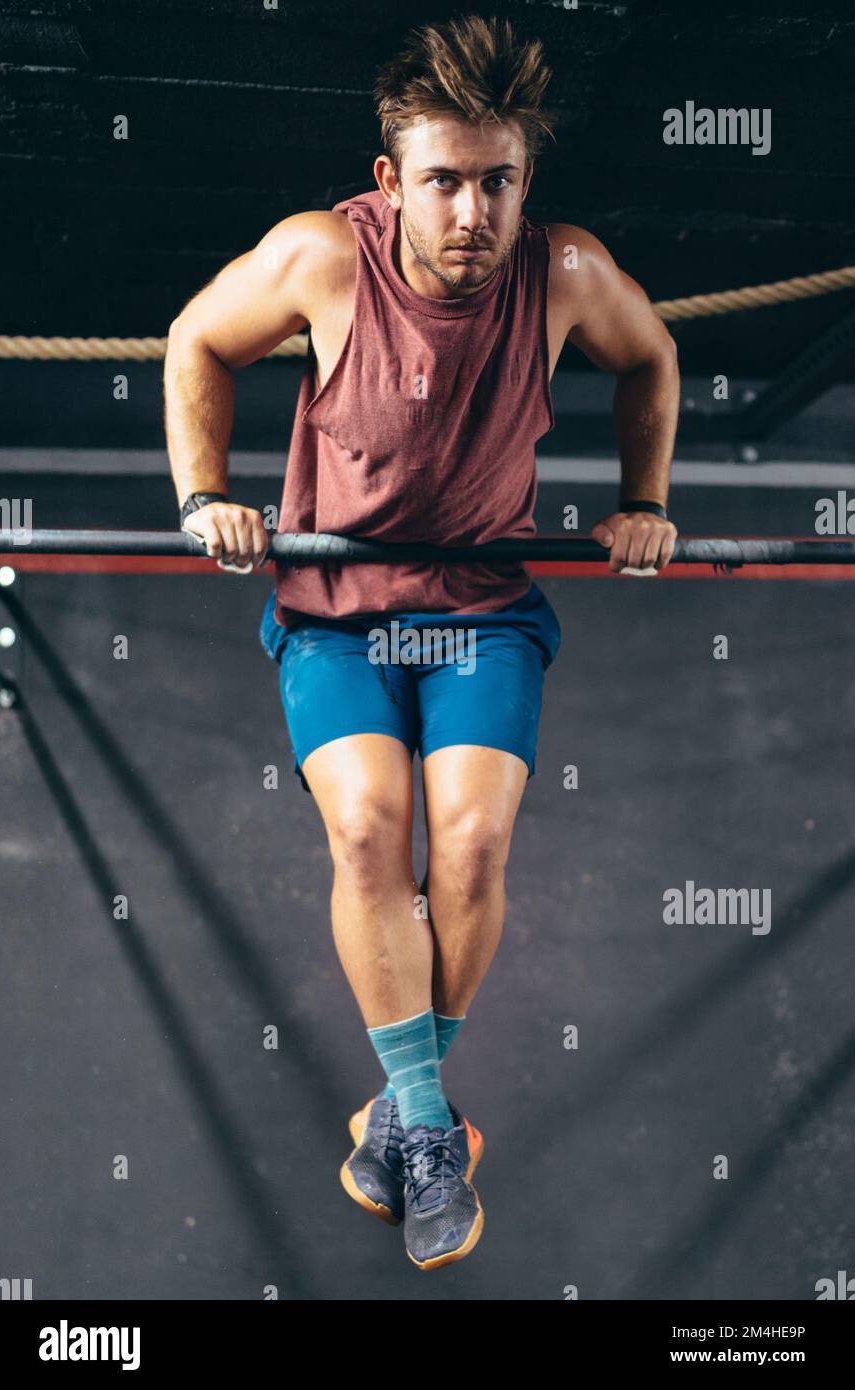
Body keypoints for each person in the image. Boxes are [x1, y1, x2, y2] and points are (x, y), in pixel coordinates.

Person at [163, 13, 679, 1271]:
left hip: (478, 606)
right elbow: (193, 339)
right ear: (392, 181)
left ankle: (401, 1112)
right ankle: (432, 1124)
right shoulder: (320, 263)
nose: (471, 211)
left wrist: (646, 500)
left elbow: (651, 358)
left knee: (471, 839)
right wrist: (203, 493)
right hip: (334, 609)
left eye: (496, 180)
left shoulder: (562, 275)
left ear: (523, 183)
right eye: (443, 180)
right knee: (361, 828)